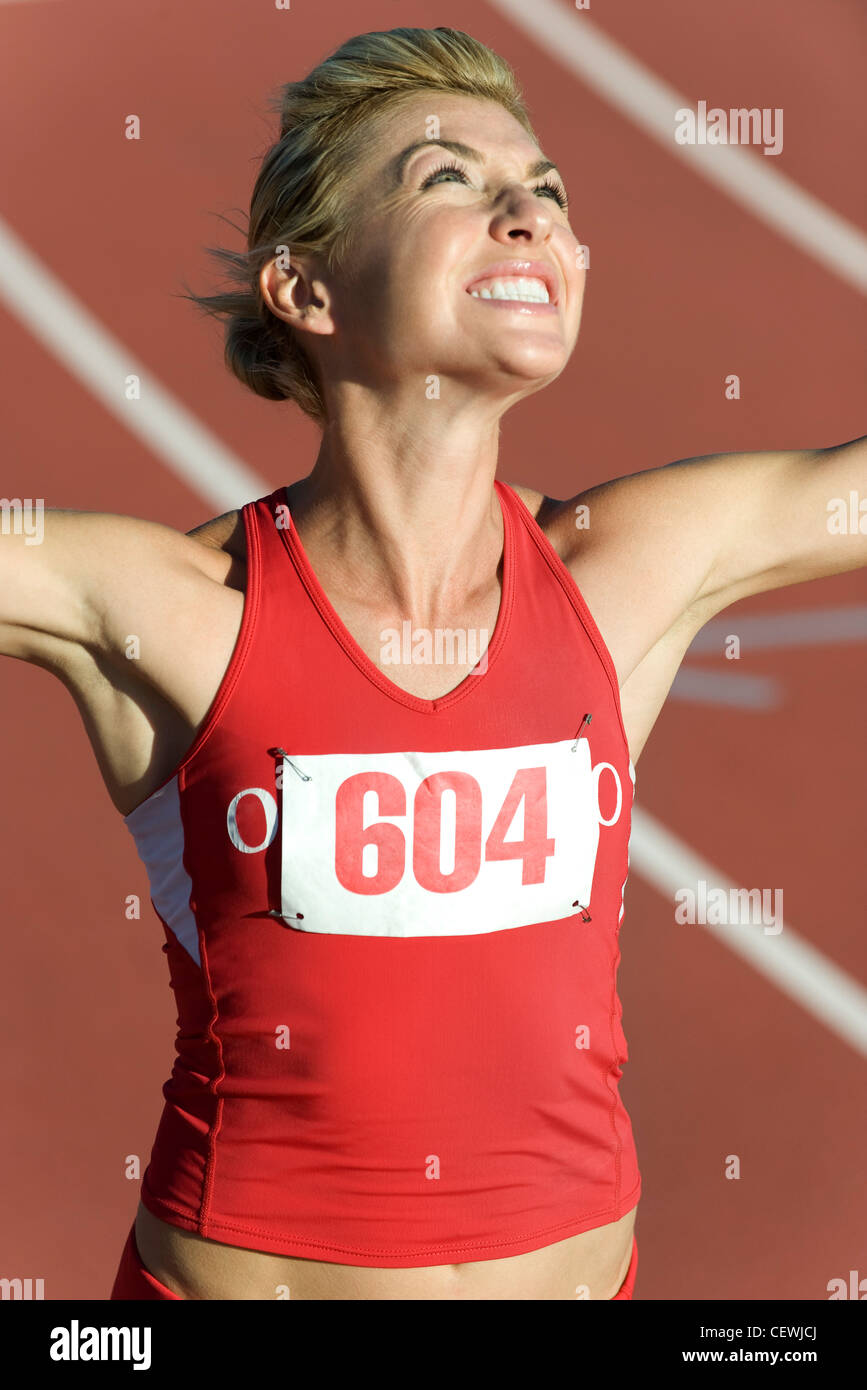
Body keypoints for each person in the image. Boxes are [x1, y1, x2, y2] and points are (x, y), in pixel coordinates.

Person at [2, 26, 864, 1302]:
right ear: (304, 289)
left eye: (552, 194)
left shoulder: (625, 571)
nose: (530, 214)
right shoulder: (174, 609)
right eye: (448, 178)